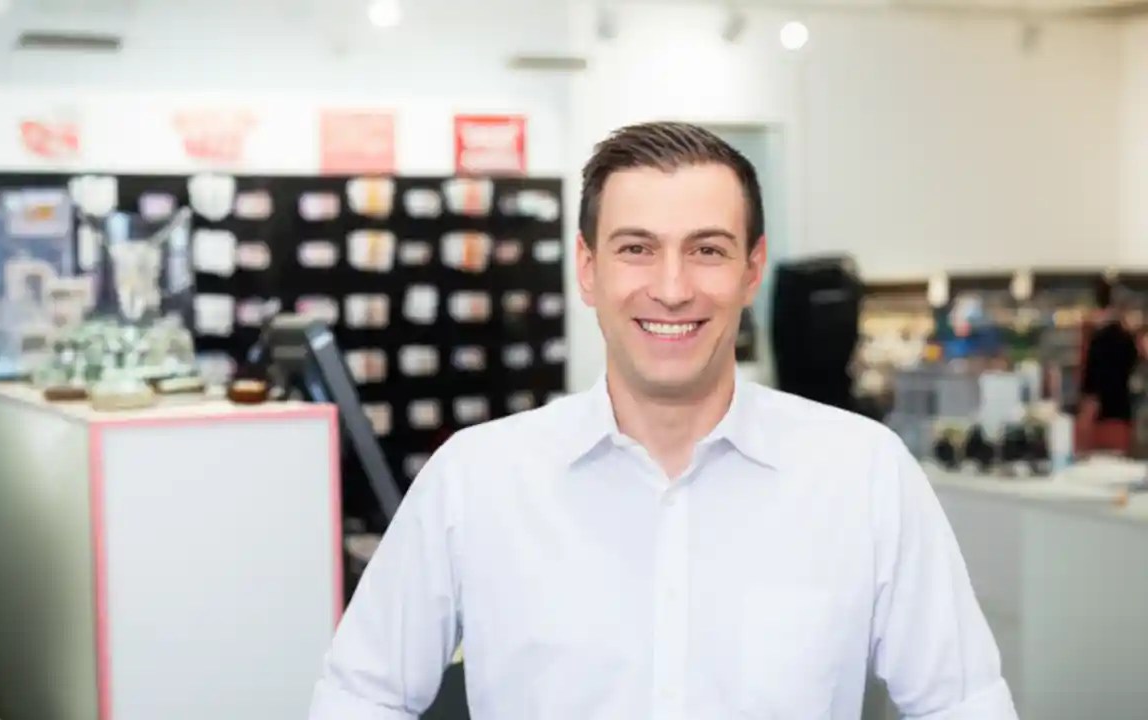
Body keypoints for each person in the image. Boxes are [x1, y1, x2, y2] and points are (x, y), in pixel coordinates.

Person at [308, 121, 1017, 719]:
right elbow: (360, 696)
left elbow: (962, 704)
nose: (672, 289)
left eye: (707, 250)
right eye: (636, 248)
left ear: (752, 270)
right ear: (587, 269)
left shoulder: (862, 472)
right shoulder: (476, 478)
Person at [1077, 277, 1144, 454]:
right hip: (1121, 410)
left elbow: (1091, 379)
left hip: (1099, 412)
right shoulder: (1128, 340)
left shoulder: (1098, 337)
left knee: (1098, 458)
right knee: (1117, 457)